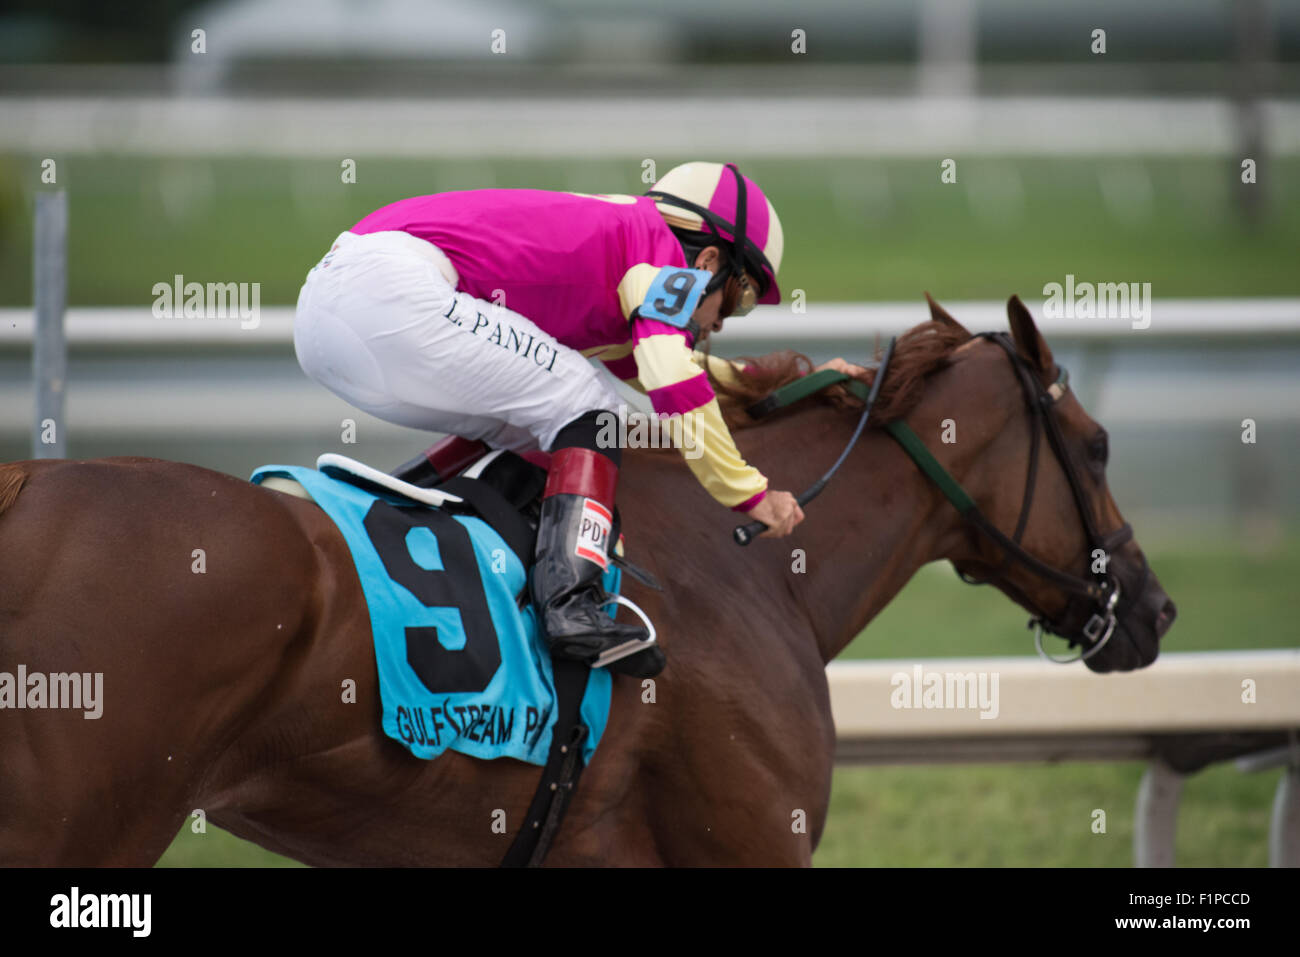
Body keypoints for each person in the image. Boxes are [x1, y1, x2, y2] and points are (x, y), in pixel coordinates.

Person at [294, 161, 851, 678]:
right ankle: (571, 608)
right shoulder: (659, 252)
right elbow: (670, 379)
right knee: (592, 410)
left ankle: (389, 515)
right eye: (741, 297)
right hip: (386, 293)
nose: (725, 322)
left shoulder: (627, 247)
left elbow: (668, 368)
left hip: (330, 312)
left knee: (536, 415)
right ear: (707, 262)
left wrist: (793, 387)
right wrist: (749, 494)